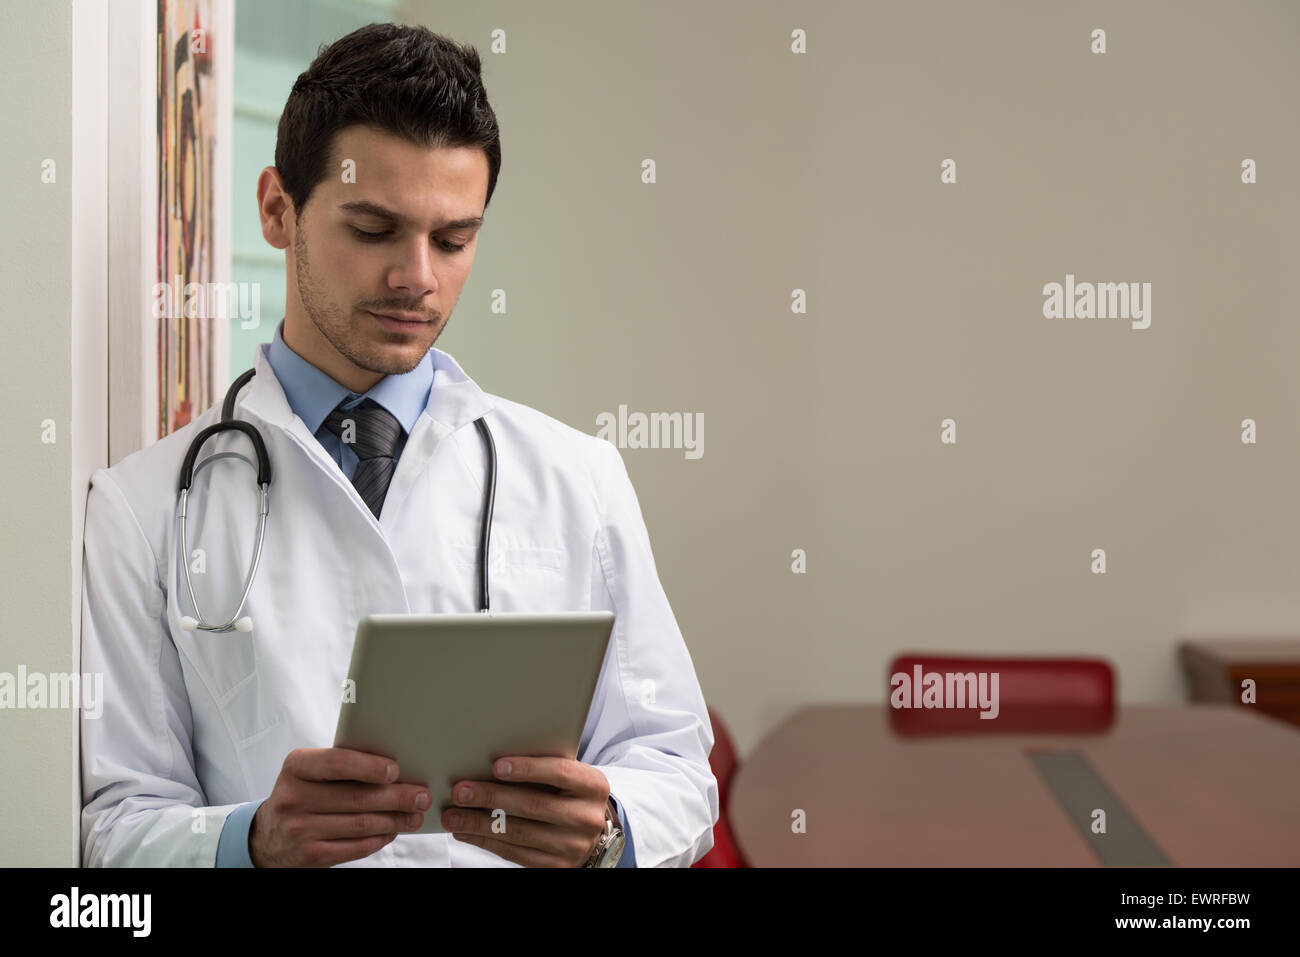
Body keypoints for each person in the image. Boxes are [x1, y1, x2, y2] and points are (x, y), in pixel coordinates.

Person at [79, 23, 718, 868]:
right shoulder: (142, 508)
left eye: (453, 240)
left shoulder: (578, 478)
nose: (417, 276)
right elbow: (112, 825)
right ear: (277, 209)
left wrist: (612, 830)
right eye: (375, 230)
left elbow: (677, 769)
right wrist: (251, 841)